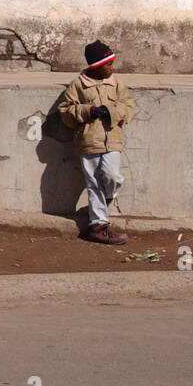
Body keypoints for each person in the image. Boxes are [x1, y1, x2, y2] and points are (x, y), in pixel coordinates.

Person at [58, 40, 137, 244]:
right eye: (107, 64)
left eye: (112, 63)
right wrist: (89, 111)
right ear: (96, 66)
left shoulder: (116, 84)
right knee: (94, 183)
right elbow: (66, 111)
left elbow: (129, 107)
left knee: (112, 176)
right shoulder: (79, 84)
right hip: (89, 141)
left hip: (112, 141)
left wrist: (111, 111)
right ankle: (98, 226)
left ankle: (103, 202)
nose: (111, 68)